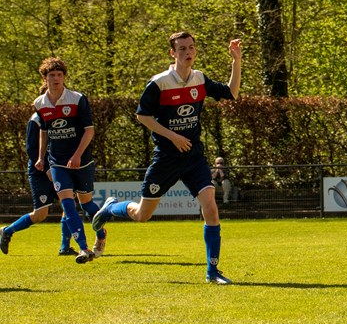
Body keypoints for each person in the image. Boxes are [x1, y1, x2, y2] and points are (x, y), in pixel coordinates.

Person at [92, 31, 241, 284]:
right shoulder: (159, 83)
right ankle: (111, 208)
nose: (188, 52)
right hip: (166, 159)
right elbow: (143, 116)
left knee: (211, 209)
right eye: (182, 48)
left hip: (194, 157)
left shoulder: (200, 79)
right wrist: (172, 136)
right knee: (142, 215)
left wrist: (236, 61)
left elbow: (231, 93)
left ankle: (212, 272)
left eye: (191, 47)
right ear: (173, 53)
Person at [27, 57, 104, 264]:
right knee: (68, 205)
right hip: (58, 161)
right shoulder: (39, 103)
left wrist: (78, 154)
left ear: (64, 77)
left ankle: (102, 232)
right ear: (45, 78)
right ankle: (84, 249)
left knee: (87, 204)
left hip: (82, 161)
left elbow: (89, 131)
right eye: (52, 75)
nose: (56, 79)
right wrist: (42, 157)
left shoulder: (77, 99)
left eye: (59, 75)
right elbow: (44, 130)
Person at [0, 109, 77, 257]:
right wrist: (46, 169)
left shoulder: (59, 118)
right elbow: (31, 149)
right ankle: (7, 231)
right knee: (40, 214)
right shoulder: (35, 120)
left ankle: (65, 247)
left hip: (57, 169)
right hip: (39, 173)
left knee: (68, 204)